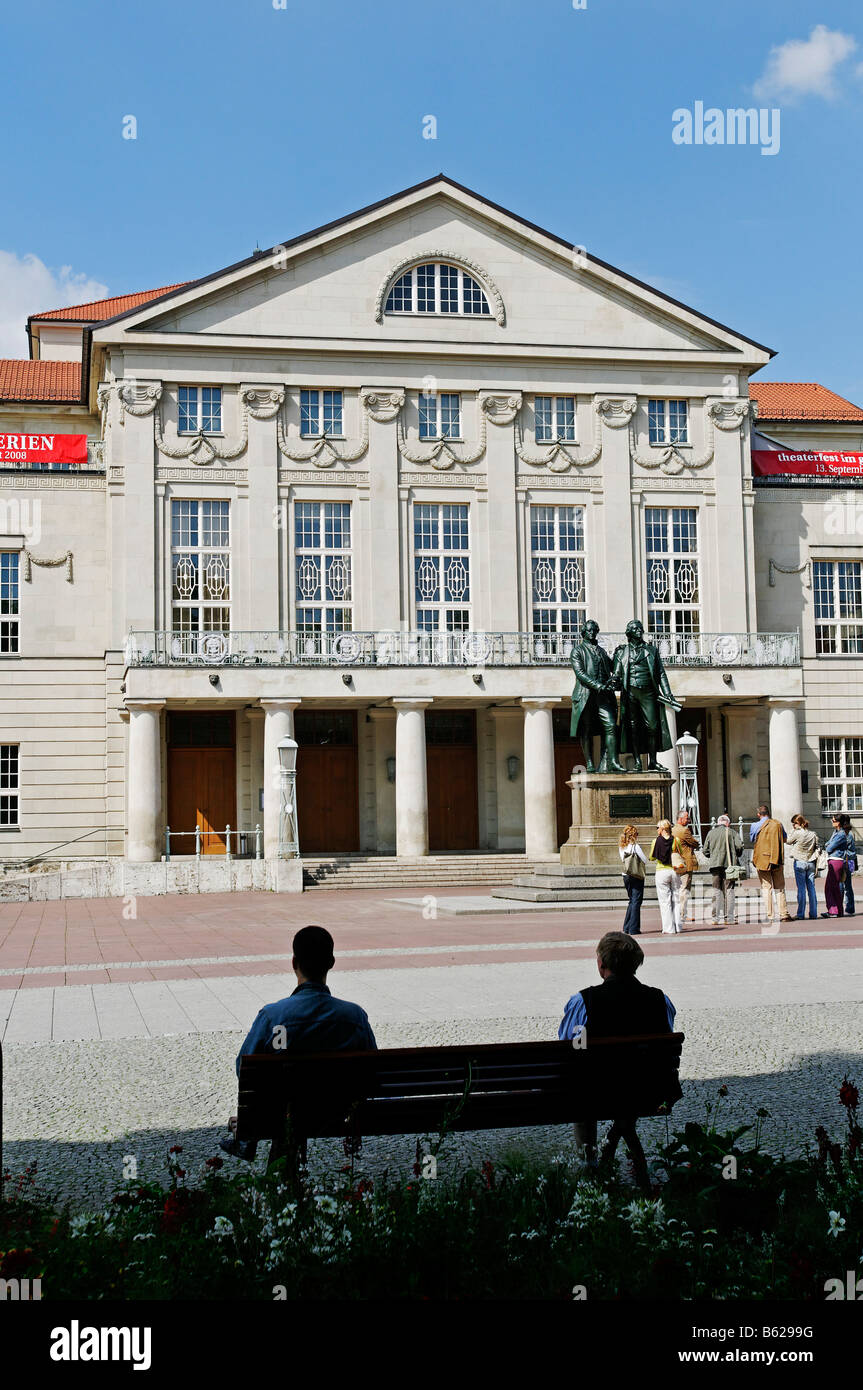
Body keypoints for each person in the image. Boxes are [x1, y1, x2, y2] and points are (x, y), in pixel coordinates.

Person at [221, 925, 377, 1160]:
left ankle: (251, 1142)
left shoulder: (273, 1017)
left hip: (283, 1114)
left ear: (294, 962)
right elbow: (372, 1071)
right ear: (331, 962)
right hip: (338, 1112)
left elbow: (243, 1070)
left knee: (281, 1088)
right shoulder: (354, 1017)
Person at [559, 931, 677, 1181]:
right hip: (650, 1092)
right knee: (625, 1088)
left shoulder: (584, 1001)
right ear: (635, 965)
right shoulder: (659, 1000)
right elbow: (664, 1046)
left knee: (583, 1087)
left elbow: (569, 1048)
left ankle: (589, 1166)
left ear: (601, 965)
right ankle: (622, 1134)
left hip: (596, 1093)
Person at [611, 619, 682, 772]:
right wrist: (613, 682)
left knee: (652, 726)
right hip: (630, 692)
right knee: (633, 727)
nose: (639, 630)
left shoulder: (652, 651)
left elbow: (661, 673)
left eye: (640, 628)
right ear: (629, 633)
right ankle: (637, 761)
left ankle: (653, 761)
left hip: (648, 691)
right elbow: (616, 674)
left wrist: (668, 693)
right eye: (635, 628)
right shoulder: (622, 652)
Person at [570, 618, 625, 772]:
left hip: (603, 697)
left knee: (611, 725)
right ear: (583, 633)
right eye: (589, 630)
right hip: (586, 696)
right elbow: (580, 674)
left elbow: (611, 667)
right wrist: (598, 685)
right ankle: (589, 763)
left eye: (595, 630)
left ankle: (613, 762)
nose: (592, 633)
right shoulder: (577, 651)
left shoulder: (601, 651)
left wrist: (618, 654)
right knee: (586, 729)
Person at [750, 803, 791, 926]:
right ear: (769, 813)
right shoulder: (778, 824)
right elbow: (784, 838)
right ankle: (783, 913)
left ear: (759, 814)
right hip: (776, 858)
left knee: (766, 888)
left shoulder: (755, 825)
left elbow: (752, 840)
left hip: (762, 860)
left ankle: (770, 915)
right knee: (779, 887)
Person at [702, 814, 743, 925]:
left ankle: (715, 918)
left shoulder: (711, 833)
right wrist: (736, 854)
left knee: (717, 890)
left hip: (715, 865)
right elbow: (739, 847)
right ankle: (729, 917)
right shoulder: (732, 832)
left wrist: (713, 856)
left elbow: (705, 850)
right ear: (727, 823)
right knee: (729, 889)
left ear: (718, 822)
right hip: (729, 865)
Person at [650, 818, 682, 935]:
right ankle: (678, 926)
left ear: (663, 829)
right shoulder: (676, 840)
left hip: (662, 871)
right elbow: (680, 853)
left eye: (658, 827)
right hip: (674, 870)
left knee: (665, 902)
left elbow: (652, 857)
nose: (657, 829)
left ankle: (669, 928)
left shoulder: (655, 841)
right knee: (676, 899)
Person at [785, 813, 819, 921]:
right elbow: (817, 846)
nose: (793, 826)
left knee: (801, 889)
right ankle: (813, 913)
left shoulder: (798, 833)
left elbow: (788, 841)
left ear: (798, 823)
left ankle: (800, 914)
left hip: (800, 861)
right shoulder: (813, 834)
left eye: (793, 824)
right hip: (810, 862)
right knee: (812, 888)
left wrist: (793, 831)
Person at [672, 809, 700, 924]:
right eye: (687, 818)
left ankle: (677, 913)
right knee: (684, 889)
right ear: (681, 819)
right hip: (685, 862)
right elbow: (695, 843)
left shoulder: (672, 830)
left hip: (675, 862)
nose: (689, 820)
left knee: (677, 889)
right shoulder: (684, 830)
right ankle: (682, 914)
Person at [618, 825, 646, 935]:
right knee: (636, 901)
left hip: (625, 874)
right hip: (636, 875)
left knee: (631, 900)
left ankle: (626, 926)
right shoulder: (635, 846)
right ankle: (634, 928)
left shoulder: (622, 846)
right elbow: (644, 859)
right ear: (634, 835)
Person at [822, 814, 850, 919]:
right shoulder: (836, 832)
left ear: (838, 822)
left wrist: (828, 845)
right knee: (834, 887)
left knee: (830, 887)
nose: (832, 821)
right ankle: (838, 910)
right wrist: (828, 845)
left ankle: (833, 910)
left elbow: (829, 848)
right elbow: (828, 844)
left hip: (836, 861)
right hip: (833, 860)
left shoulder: (841, 834)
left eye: (833, 820)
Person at [841, 813, 856, 916]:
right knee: (848, 885)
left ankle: (843, 907)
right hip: (850, 861)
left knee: (843, 885)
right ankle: (850, 907)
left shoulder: (845, 834)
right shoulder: (849, 833)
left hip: (845, 861)